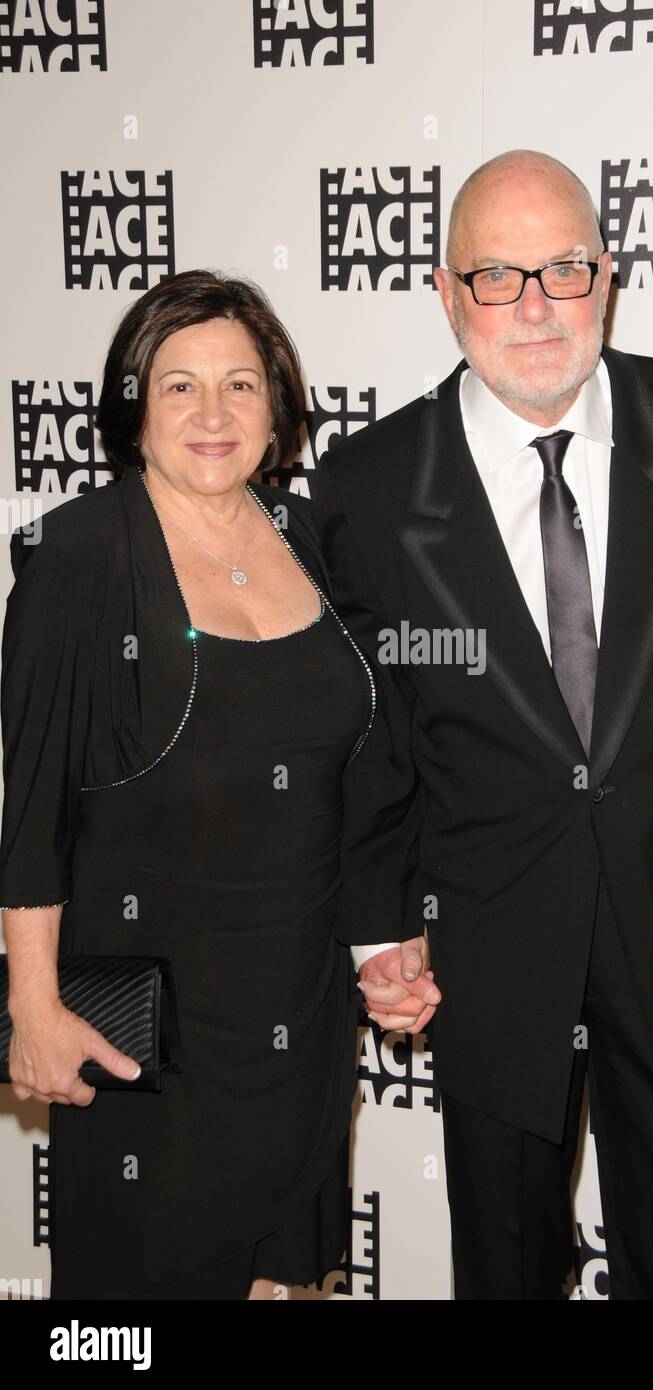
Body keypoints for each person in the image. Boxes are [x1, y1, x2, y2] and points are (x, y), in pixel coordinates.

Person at [311, 150, 653, 1299]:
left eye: (563, 268)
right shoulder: (371, 481)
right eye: (496, 274)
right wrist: (376, 925)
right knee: (506, 1263)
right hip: (486, 945)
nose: (534, 306)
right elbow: (373, 730)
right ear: (446, 292)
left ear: (608, 276)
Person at [0, 270, 376, 1299]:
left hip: (298, 1010)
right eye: (178, 386)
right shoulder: (76, 555)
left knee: (295, 1282)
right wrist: (31, 1003)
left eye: (240, 384)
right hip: (147, 1028)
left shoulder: (312, 540)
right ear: (134, 405)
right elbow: (28, 807)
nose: (213, 413)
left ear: (277, 402)